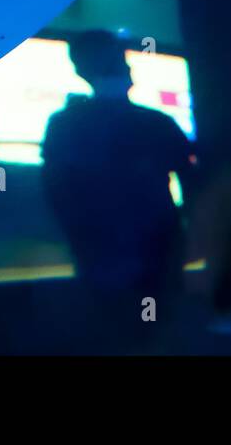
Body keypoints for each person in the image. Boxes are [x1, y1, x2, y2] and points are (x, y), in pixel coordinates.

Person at [41, 30, 196, 300]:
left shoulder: (64, 125)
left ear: (81, 71)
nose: (128, 66)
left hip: (103, 259)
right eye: (119, 59)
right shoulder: (156, 123)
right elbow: (191, 179)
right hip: (156, 254)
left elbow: (57, 193)